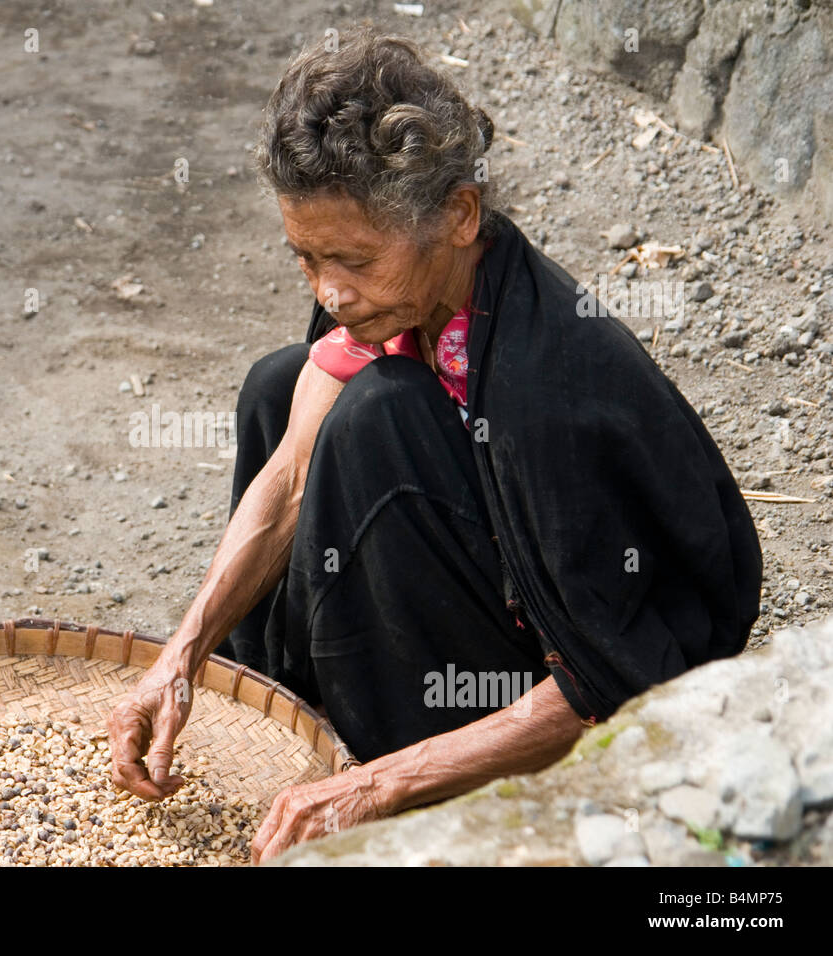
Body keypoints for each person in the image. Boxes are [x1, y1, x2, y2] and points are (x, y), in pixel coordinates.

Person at [107, 25, 763, 864]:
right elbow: (294, 470)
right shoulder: (387, 289)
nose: (328, 289)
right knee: (279, 386)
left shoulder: (543, 388)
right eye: (304, 259)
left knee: (379, 421)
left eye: (349, 260)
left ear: (459, 215)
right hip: (497, 560)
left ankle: (376, 759)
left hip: (614, 675)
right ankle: (300, 719)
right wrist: (182, 656)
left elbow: (612, 687)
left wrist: (378, 785)